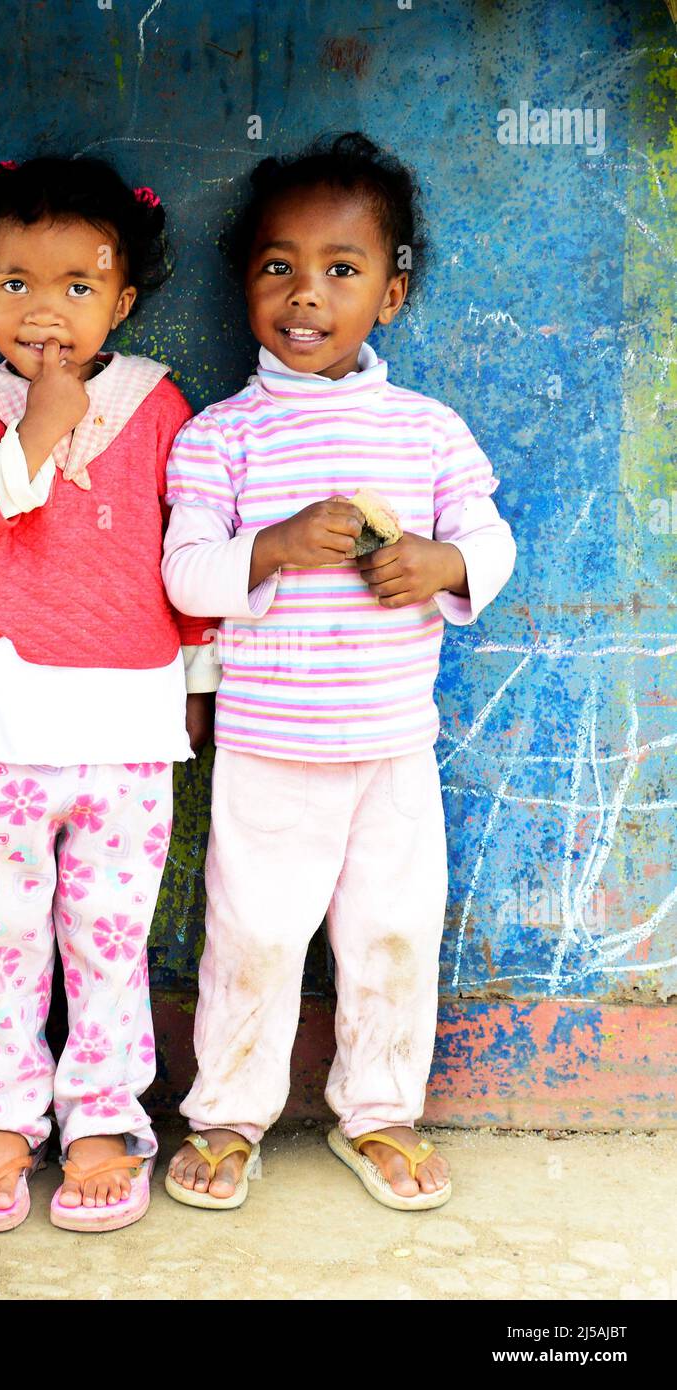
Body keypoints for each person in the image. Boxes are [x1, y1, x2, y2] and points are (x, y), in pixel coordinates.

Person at [161, 131, 516, 1211]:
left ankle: (379, 1111)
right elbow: (185, 572)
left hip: (392, 750)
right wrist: (269, 545)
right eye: (277, 265)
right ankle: (224, 1116)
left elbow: (490, 540)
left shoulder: (425, 430)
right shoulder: (223, 437)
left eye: (341, 268)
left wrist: (444, 562)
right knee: (254, 937)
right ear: (245, 285)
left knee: (393, 934)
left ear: (391, 295)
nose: (304, 293)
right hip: (269, 749)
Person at [0, 155, 217, 1232]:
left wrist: (197, 680)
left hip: (128, 733)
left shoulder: (156, 404)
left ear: (123, 301)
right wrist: (36, 425)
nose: (45, 310)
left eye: (78, 287)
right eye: (15, 284)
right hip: (2, 728)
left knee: (106, 931)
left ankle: (99, 1116)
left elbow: (189, 554)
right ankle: (1, 1117)